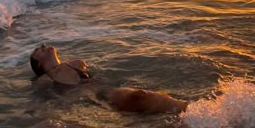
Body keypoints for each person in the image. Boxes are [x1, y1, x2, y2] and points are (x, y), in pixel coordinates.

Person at [30, 44, 189, 114]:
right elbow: (46, 102)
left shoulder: (77, 63)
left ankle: (189, 111)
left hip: (106, 93)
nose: (43, 45)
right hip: (91, 105)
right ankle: (193, 113)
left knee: (142, 96)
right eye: (38, 49)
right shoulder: (44, 80)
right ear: (38, 63)